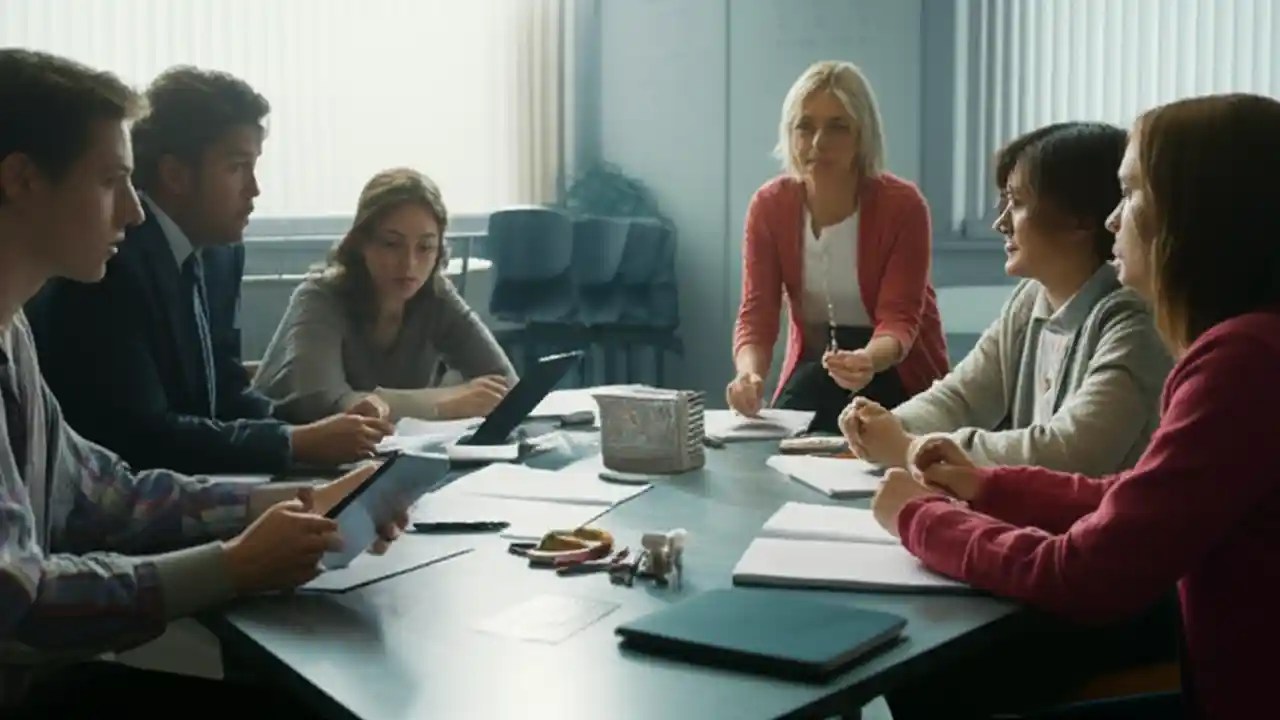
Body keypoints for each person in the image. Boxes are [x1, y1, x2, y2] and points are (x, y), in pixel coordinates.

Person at [0, 48, 408, 716]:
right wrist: (235, 564)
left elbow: (106, 493)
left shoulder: (11, 333)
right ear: (21, 179)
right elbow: (21, 605)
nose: (134, 213)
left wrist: (299, 498)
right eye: (111, 180)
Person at [872, 93, 1280, 720]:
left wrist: (923, 519)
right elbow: (1137, 493)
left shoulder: (1245, 362)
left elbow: (1086, 573)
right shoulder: (1251, 346)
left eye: (1133, 194)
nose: (1115, 220)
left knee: (941, 683)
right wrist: (986, 485)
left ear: (1198, 214)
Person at [26, 65, 392, 475]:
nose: (254, 189)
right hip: (141, 495)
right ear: (175, 175)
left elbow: (228, 392)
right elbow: (142, 436)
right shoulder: (107, 263)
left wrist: (319, 430)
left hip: (203, 480)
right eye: (236, 167)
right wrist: (295, 442)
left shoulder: (220, 254)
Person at [840, 123, 1170, 475]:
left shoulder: (1133, 321)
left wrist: (913, 447)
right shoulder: (1030, 299)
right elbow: (962, 397)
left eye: (1017, 203)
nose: (1000, 223)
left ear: (1081, 219)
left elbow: (1070, 452)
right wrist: (884, 426)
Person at [728, 60, 948, 433]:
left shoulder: (903, 206)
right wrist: (748, 376)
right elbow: (757, 313)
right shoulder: (769, 206)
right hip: (818, 365)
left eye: (838, 127)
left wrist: (866, 360)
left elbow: (900, 319)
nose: (818, 143)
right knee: (771, 448)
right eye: (805, 127)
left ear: (863, 135)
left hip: (894, 365)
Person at [252, 168, 516, 423]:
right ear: (361, 243)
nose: (409, 264)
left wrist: (402, 405)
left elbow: (505, 384)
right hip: (281, 458)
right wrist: (447, 402)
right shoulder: (318, 297)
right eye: (391, 244)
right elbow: (324, 403)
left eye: (425, 247)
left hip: (376, 455)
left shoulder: (435, 295)